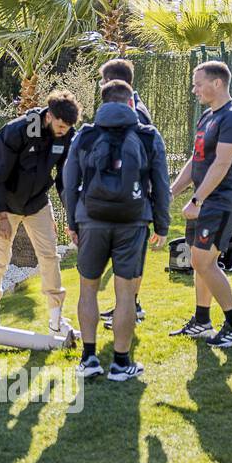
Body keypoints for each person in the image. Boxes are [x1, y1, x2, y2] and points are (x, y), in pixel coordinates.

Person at [63, 80, 169, 381]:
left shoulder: (86, 134)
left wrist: (73, 222)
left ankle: (89, 358)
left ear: (103, 102)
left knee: (88, 289)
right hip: (133, 221)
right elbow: (160, 185)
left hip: (91, 219)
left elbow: (70, 183)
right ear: (130, 103)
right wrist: (161, 224)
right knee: (124, 294)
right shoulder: (147, 136)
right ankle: (121, 363)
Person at [169, 60, 232, 347]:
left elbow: (222, 163)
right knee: (198, 261)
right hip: (206, 201)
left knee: (205, 262)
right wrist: (173, 191)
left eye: (198, 84)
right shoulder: (208, 117)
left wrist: (197, 199)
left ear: (216, 83)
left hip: (223, 200)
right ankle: (202, 320)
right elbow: (197, 160)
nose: (194, 90)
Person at [0, 90, 80, 342]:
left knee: (50, 255)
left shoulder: (67, 136)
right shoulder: (17, 131)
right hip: (5, 202)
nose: (63, 131)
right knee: (0, 257)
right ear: (49, 116)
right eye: (60, 125)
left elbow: (64, 181)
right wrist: (2, 217)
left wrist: (71, 219)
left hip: (37, 203)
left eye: (68, 127)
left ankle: (56, 318)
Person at [97, 57, 151, 329]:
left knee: (132, 258)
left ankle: (133, 305)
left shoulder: (135, 112)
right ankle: (126, 305)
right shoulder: (127, 107)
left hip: (131, 198)